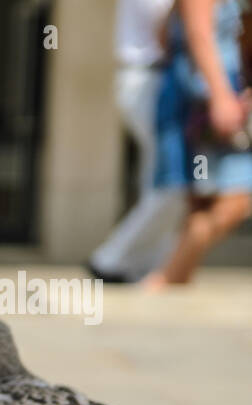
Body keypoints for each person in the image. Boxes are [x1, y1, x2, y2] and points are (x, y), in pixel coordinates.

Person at [145, 0, 252, 288]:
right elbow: (199, 35)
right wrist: (220, 94)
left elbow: (164, 36)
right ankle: (165, 278)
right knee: (237, 198)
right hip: (207, 97)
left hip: (204, 92)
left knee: (204, 198)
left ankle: (176, 277)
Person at [87, 0, 188, 283]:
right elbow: (165, 28)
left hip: (153, 77)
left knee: (156, 178)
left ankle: (146, 264)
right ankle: (112, 259)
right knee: (170, 181)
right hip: (147, 78)